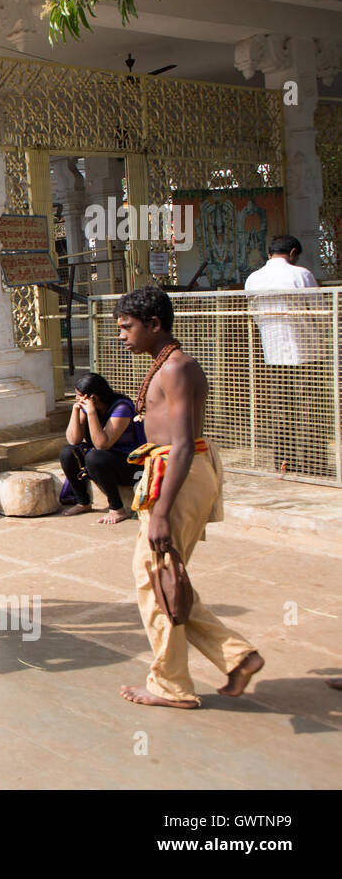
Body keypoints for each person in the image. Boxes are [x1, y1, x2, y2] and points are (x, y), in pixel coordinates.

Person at [114, 286, 263, 709]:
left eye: (127, 327)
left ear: (155, 325)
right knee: (167, 577)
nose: (122, 336)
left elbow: (180, 444)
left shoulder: (176, 369)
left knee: (154, 579)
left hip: (178, 476)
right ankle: (237, 657)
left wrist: (160, 512)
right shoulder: (170, 365)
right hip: (179, 472)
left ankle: (171, 685)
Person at [243, 234, 324, 475]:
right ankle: (313, 463)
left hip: (273, 351)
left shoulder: (254, 278)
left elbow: (254, 312)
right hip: (308, 351)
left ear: (270, 254)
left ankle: (284, 461)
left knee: (281, 406)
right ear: (292, 254)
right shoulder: (300, 274)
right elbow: (319, 309)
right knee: (311, 408)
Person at [59, 372, 146, 524]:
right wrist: (76, 411)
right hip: (106, 460)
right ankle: (83, 502)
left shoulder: (122, 408)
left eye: (79, 396)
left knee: (95, 456)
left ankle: (117, 508)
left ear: (93, 397)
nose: (77, 399)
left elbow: (102, 444)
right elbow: (73, 439)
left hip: (131, 463)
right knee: (68, 452)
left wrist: (91, 412)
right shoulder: (86, 408)